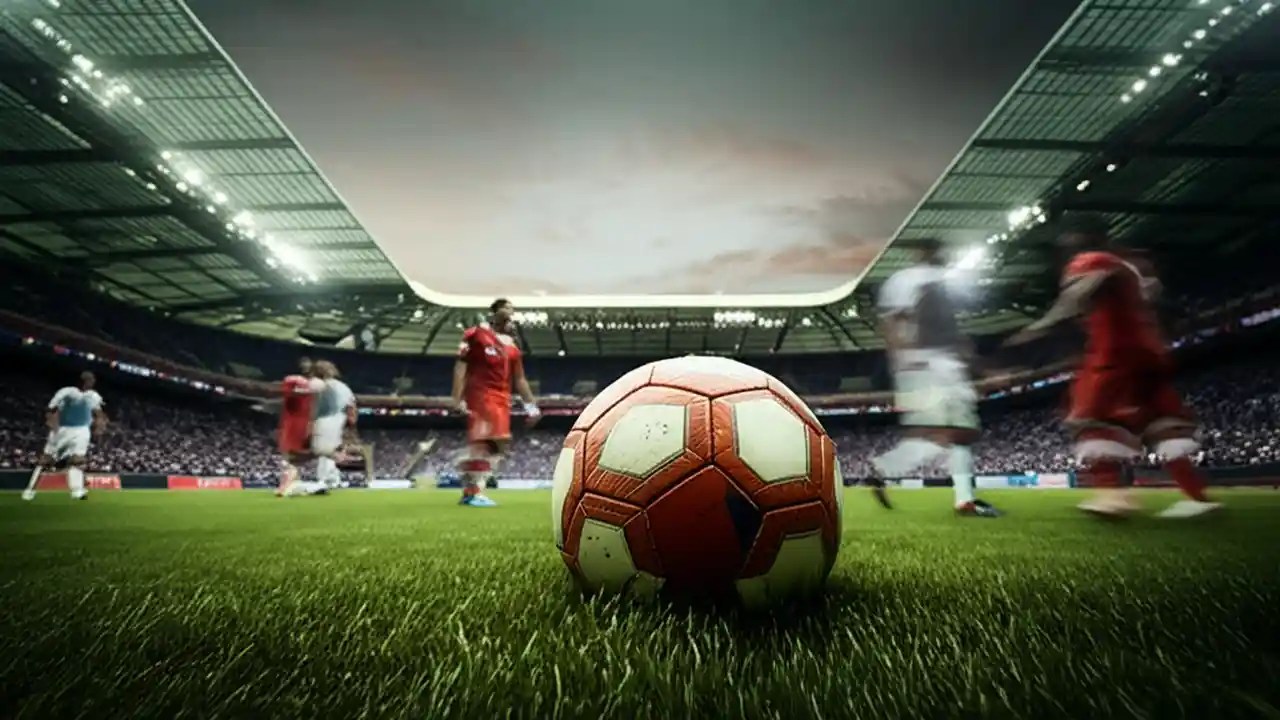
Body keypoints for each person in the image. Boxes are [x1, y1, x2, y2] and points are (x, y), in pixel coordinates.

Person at [1006, 213, 1219, 518]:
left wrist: (1036, 330)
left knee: (1088, 413)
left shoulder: (1090, 261)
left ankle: (1112, 495)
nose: (1066, 245)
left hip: (1114, 352)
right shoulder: (1130, 266)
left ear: (1085, 238)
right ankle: (1197, 497)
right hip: (1151, 353)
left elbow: (1074, 300)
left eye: (1070, 238)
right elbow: (1155, 302)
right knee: (1160, 422)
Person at [872, 237, 1000, 516]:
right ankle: (963, 499)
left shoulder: (904, 281)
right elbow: (896, 323)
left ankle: (885, 468)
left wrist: (901, 363)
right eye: (939, 250)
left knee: (942, 435)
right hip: (933, 364)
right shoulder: (918, 281)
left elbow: (900, 323)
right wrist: (905, 359)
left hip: (927, 364)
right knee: (960, 433)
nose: (944, 255)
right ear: (925, 252)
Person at [450, 298, 540, 507]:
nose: (511, 312)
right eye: (506, 307)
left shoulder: (513, 348)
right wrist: (457, 398)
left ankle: (465, 471)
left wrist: (531, 406)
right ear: (495, 311)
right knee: (489, 442)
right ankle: (473, 491)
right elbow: (460, 367)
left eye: (512, 309)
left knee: (497, 446)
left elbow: (519, 379)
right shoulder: (475, 335)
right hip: (481, 395)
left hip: (502, 399)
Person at [24, 371, 107, 501]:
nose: (92, 382)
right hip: (63, 429)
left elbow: (98, 412)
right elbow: (52, 408)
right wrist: (52, 424)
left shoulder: (94, 396)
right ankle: (30, 490)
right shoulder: (66, 392)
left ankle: (77, 491)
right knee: (46, 461)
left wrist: (99, 425)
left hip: (82, 430)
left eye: (92, 379)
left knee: (77, 460)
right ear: (82, 380)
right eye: (89, 379)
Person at [302, 360, 357, 496]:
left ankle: (324, 480)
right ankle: (333, 478)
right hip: (339, 418)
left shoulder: (320, 385)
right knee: (328, 449)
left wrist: (310, 422)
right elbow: (351, 406)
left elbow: (314, 406)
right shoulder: (343, 386)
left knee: (324, 449)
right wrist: (351, 422)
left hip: (326, 419)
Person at [276, 357, 325, 497]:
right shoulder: (299, 382)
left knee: (289, 454)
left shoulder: (309, 384)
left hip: (298, 422)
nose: (306, 366)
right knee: (289, 454)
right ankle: (293, 485)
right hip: (293, 420)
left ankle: (289, 485)